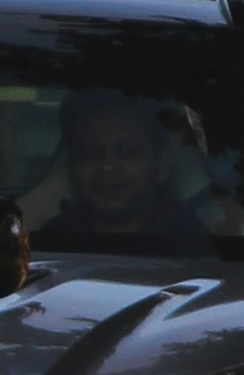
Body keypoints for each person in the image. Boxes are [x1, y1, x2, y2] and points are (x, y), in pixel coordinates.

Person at [35, 91, 213, 255]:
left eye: (126, 151)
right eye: (90, 153)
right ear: (71, 167)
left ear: (161, 165)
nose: (107, 166)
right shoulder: (50, 240)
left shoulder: (193, 243)